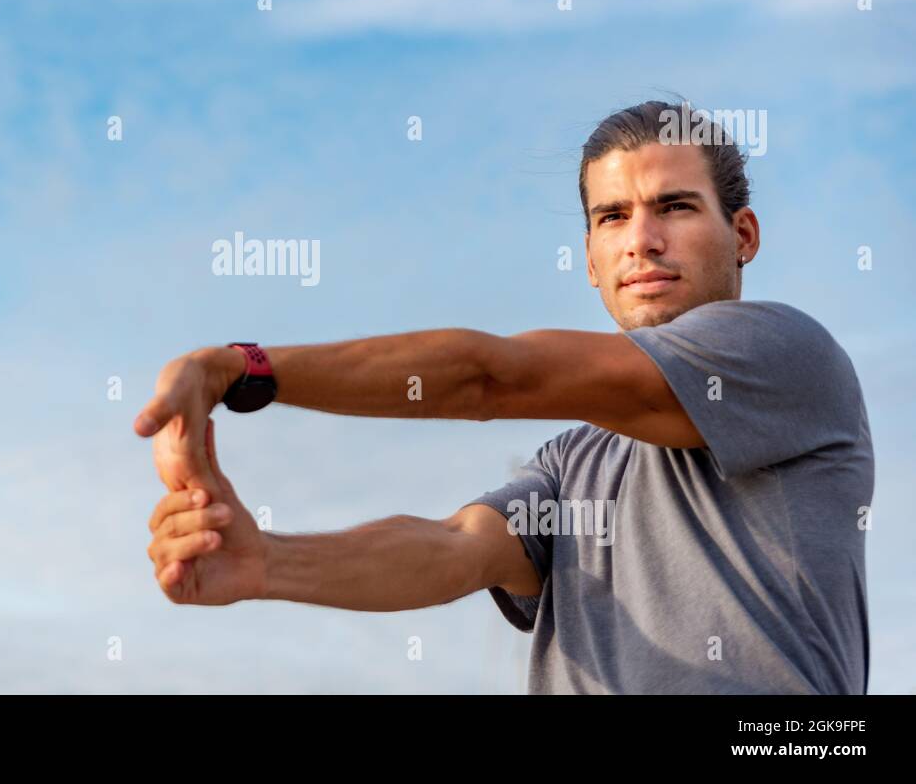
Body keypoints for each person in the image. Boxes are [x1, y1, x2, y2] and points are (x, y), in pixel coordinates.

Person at [135, 101, 873, 694]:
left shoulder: (784, 355)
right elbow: (458, 549)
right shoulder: (573, 458)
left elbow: (497, 376)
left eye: (674, 207)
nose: (640, 239)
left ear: (742, 234)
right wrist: (267, 560)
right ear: (589, 257)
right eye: (611, 216)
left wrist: (243, 368)